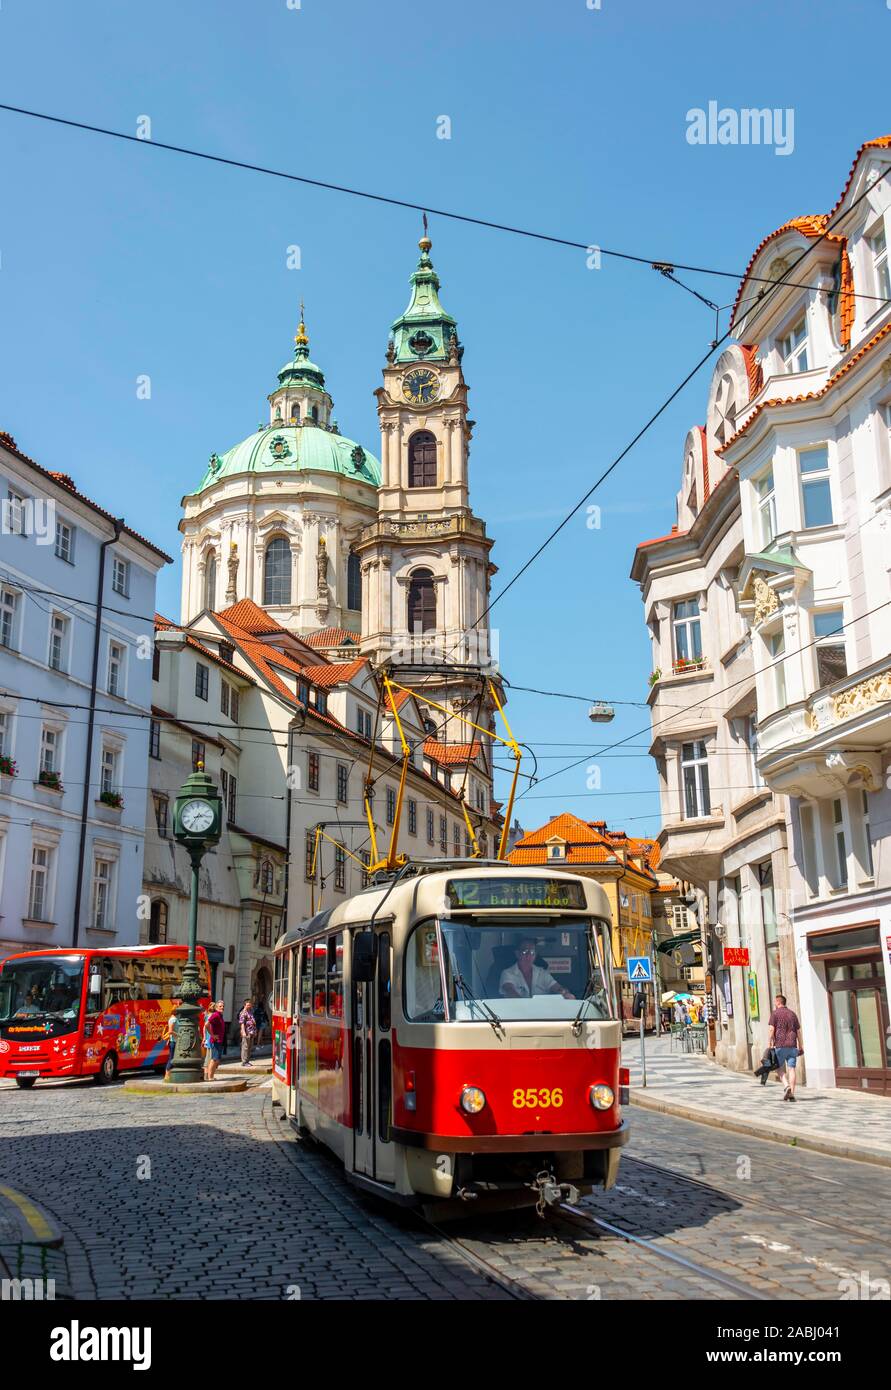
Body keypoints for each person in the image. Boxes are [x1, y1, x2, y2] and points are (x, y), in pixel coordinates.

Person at [499, 938, 574, 1000]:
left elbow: (557, 988)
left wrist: (565, 993)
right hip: (515, 1014)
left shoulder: (542, 973)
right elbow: (510, 991)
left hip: (543, 1014)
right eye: (525, 952)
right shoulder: (507, 973)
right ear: (517, 954)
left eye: (532, 952)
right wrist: (526, 1007)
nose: (529, 955)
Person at [767, 993, 802, 1100]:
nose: (774, 1003)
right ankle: (792, 1093)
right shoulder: (792, 1014)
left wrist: (770, 1044)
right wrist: (801, 1045)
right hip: (792, 1045)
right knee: (792, 1069)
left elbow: (772, 1029)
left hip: (780, 1045)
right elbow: (798, 1031)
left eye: (775, 1001)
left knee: (777, 1067)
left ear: (778, 1002)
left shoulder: (775, 1014)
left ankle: (786, 1086)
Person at [203, 1000, 225, 1081]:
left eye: (223, 1006)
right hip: (215, 1041)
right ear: (216, 1008)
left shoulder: (219, 1015)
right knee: (214, 1059)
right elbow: (206, 1024)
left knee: (217, 1059)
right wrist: (212, 1035)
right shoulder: (215, 1015)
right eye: (220, 1006)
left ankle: (210, 1075)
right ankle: (210, 1077)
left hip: (219, 1041)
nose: (222, 1007)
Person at [238, 998, 257, 1066]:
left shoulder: (250, 1012)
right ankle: (244, 1061)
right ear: (244, 1005)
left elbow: (253, 1022)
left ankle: (247, 1061)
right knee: (245, 1047)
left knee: (249, 1047)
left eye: (250, 1005)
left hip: (252, 1032)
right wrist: (243, 1032)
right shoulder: (243, 1013)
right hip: (247, 1032)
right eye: (248, 1005)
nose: (249, 1006)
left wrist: (255, 1031)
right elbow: (242, 1023)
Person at [163, 1002, 180, 1074]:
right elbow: (170, 1031)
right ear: (175, 1011)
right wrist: (179, 1035)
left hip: (173, 1041)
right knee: (171, 1058)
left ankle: (169, 1074)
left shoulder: (173, 1018)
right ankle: (167, 1074)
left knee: (172, 1058)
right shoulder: (173, 1019)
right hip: (173, 1041)